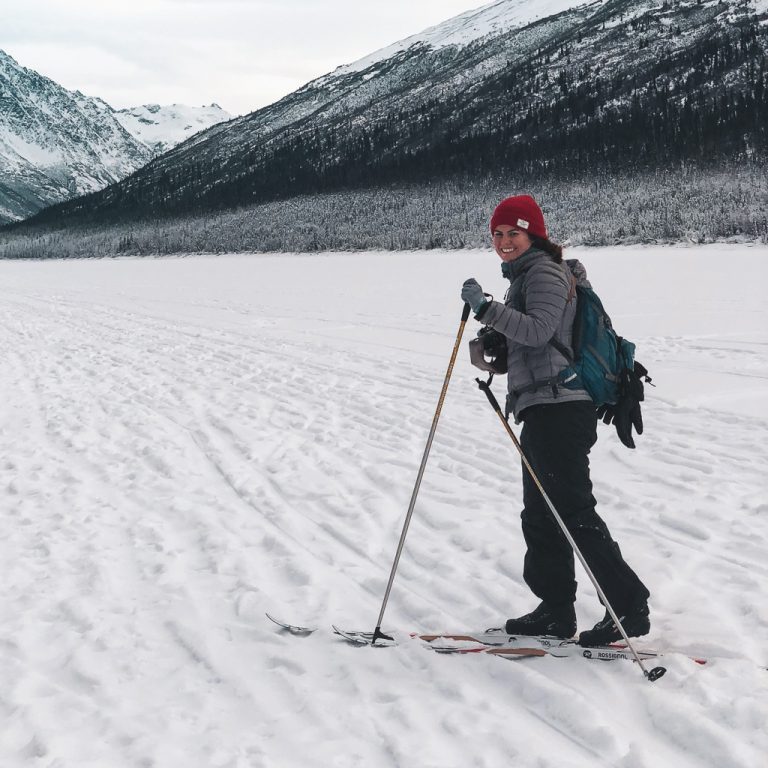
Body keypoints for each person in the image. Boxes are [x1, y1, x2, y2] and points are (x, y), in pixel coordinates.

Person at [460, 194, 650, 645]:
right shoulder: (525, 275)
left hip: (562, 407)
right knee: (542, 513)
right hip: (544, 405)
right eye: (499, 234)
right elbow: (537, 341)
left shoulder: (543, 271)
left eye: (514, 233)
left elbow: (540, 330)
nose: (505, 242)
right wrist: (499, 341)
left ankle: (628, 607)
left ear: (534, 235)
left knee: (570, 511)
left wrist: (486, 310)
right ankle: (555, 611)